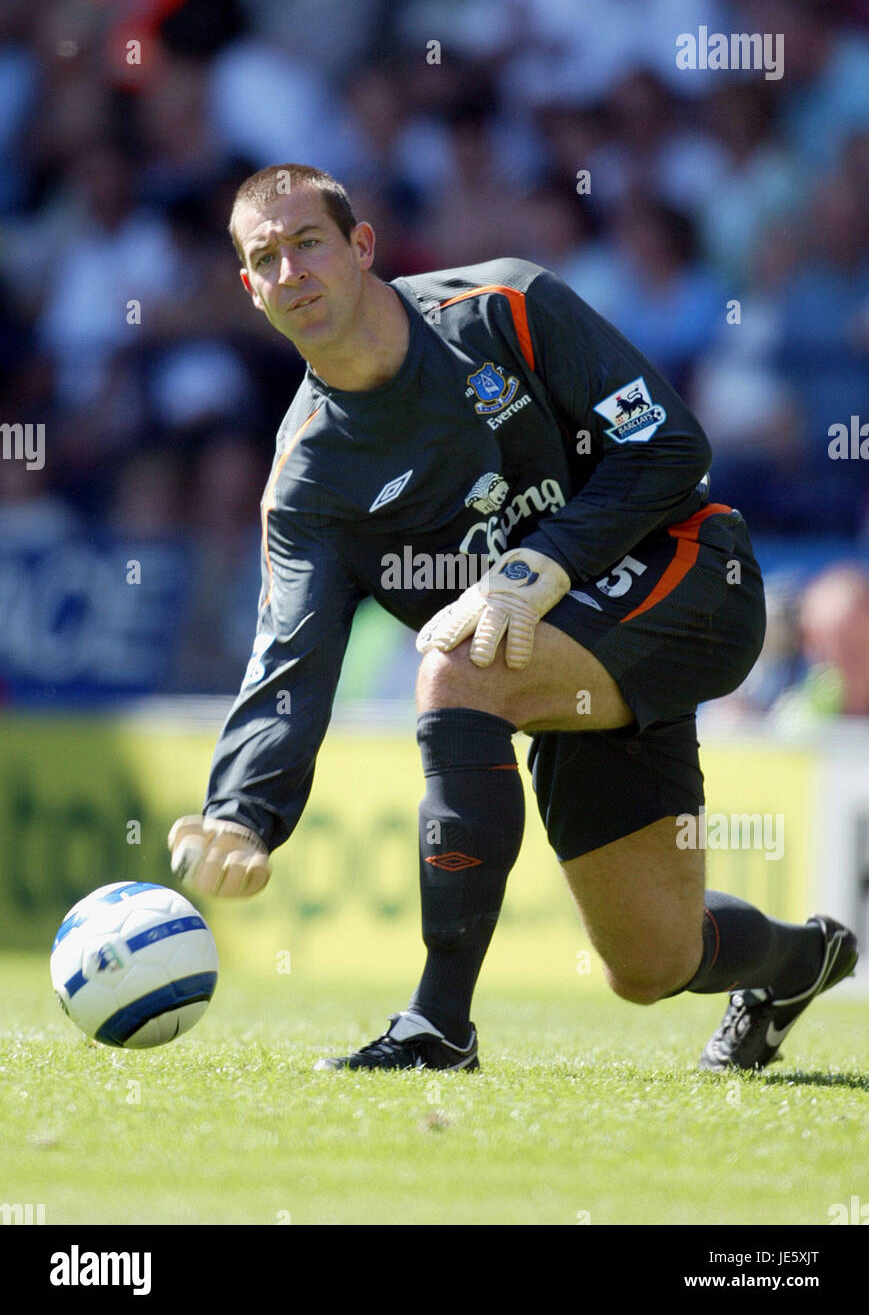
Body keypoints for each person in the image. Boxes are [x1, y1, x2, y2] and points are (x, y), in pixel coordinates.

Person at [168, 164, 857, 1073]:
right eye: (267, 260)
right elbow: (289, 655)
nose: (291, 272)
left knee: (453, 663)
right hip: (558, 665)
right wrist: (240, 810)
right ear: (250, 292)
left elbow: (671, 444)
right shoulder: (306, 488)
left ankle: (437, 1026)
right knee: (651, 963)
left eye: (308, 244)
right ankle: (801, 962)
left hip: (692, 580)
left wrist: (536, 568)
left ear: (361, 248)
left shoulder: (503, 305)